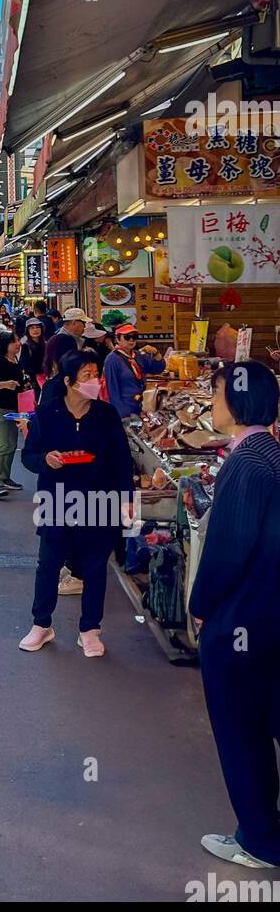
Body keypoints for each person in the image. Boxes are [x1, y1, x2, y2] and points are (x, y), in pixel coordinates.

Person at [189, 362, 280, 869]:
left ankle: (260, 841)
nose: (212, 399)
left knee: (241, 732)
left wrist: (200, 606)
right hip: (268, 617)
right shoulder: (269, 454)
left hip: (242, 619)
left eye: (217, 391)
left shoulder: (248, 464)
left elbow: (228, 551)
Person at [18, 350, 134, 658]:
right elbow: (28, 457)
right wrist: (46, 459)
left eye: (96, 374)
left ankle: (90, 629)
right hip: (57, 501)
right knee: (49, 564)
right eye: (87, 375)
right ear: (69, 381)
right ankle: (41, 624)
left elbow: (122, 461)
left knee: (95, 568)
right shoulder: (46, 414)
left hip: (100, 502)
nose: (95, 381)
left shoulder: (106, 415)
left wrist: (127, 500)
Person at [0, 330, 28, 499]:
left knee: (11, 445)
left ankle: (5, 478)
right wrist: (6, 384)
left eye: (18, 340)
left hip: (13, 408)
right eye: (14, 341)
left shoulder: (16, 360)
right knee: (3, 445)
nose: (18, 344)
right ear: (5, 345)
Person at [103, 323, 167, 419]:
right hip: (125, 408)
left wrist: (156, 353)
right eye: (127, 337)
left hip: (142, 405)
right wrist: (122, 414)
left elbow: (158, 369)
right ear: (117, 339)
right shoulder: (112, 359)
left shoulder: (138, 355)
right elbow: (112, 390)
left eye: (134, 337)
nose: (131, 340)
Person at [43, 307, 87, 380]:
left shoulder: (59, 336)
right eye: (83, 323)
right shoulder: (64, 340)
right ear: (74, 323)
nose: (85, 326)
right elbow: (67, 365)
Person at [19, 316, 47, 386]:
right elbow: (24, 365)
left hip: (46, 378)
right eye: (32, 328)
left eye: (37, 327)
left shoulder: (46, 343)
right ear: (27, 331)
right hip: (34, 381)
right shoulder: (26, 346)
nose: (35, 330)